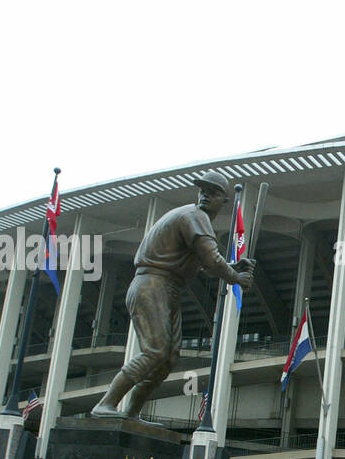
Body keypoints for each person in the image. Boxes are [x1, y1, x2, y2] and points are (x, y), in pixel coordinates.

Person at [91, 171, 255, 421]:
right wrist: (235, 278)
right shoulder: (194, 216)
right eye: (202, 190)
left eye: (212, 192)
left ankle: (132, 412)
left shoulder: (196, 220)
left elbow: (207, 266)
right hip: (153, 284)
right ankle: (106, 404)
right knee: (155, 350)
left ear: (223, 200)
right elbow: (211, 258)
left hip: (168, 288)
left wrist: (234, 266)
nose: (205, 195)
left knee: (168, 359)